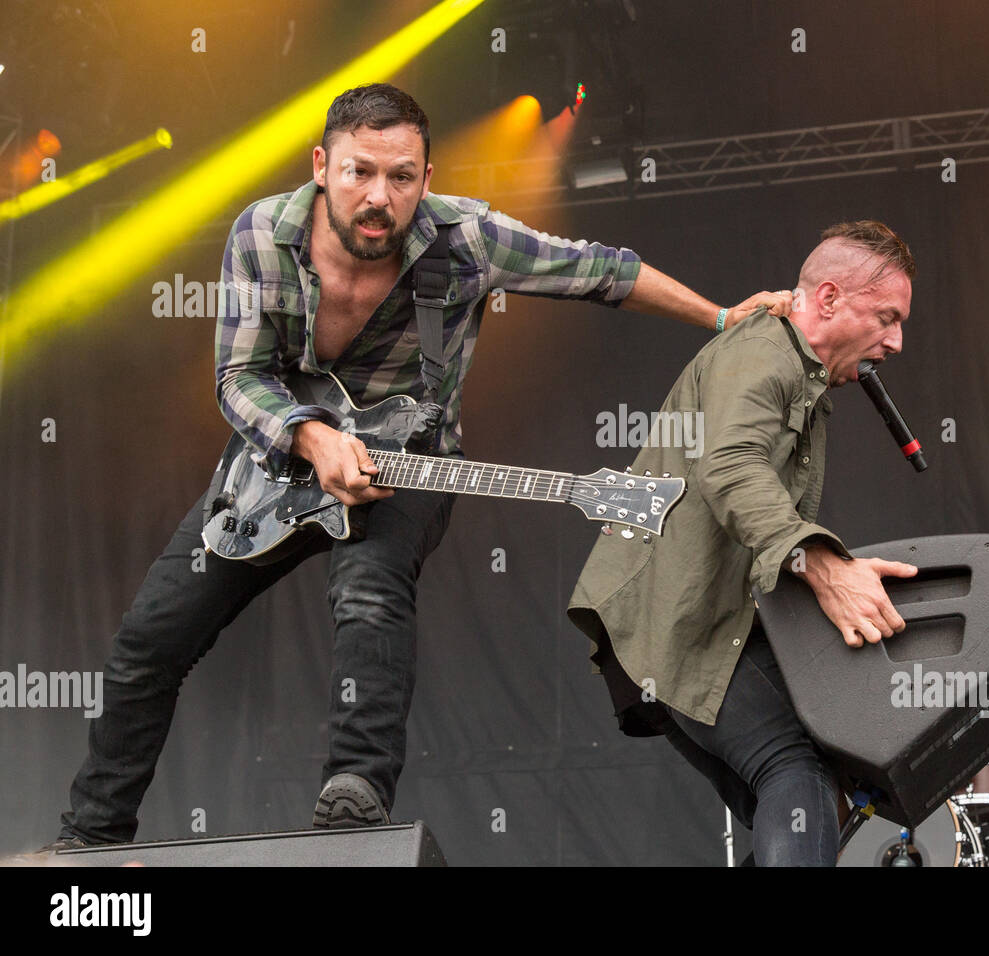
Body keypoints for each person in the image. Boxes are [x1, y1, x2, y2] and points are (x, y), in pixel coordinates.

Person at [46, 83, 792, 850]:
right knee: (147, 641)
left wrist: (724, 317)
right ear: (320, 167)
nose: (379, 197)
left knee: (368, 592)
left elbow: (603, 271)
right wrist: (313, 439)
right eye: (359, 172)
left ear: (427, 180)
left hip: (411, 467)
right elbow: (239, 378)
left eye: (401, 177)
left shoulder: (466, 239)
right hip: (273, 470)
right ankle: (91, 838)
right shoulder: (263, 234)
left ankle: (355, 793)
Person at [568, 220, 923, 866]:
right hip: (671, 620)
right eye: (886, 317)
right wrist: (821, 564)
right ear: (829, 299)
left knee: (812, 805)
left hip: (688, 623)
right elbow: (729, 465)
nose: (896, 341)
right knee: (798, 773)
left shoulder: (803, 376)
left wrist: (830, 565)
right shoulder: (765, 350)